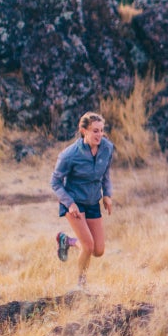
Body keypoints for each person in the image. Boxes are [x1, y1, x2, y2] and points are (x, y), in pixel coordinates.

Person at [51, 111, 115, 289]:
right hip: (74, 202)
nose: (99, 135)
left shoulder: (107, 148)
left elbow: (106, 175)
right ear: (84, 130)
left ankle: (67, 241)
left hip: (93, 200)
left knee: (98, 250)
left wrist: (107, 195)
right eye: (95, 131)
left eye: (101, 130)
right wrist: (69, 203)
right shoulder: (69, 154)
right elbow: (55, 182)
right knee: (87, 246)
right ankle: (81, 285)